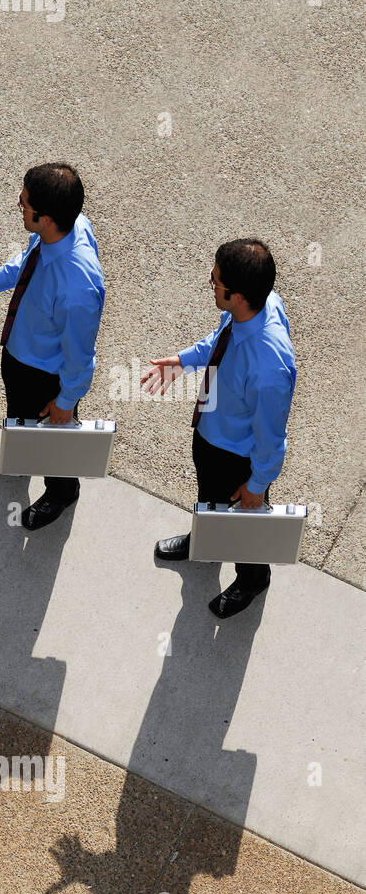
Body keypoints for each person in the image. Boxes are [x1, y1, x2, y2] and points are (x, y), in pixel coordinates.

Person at [142, 239, 296, 618]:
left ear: (238, 296)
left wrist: (256, 487)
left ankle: (252, 577)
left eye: (215, 281)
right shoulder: (256, 307)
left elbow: (272, 439)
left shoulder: (269, 367)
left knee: (245, 530)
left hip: (237, 458)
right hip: (211, 434)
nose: (210, 281)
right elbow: (219, 342)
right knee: (208, 498)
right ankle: (206, 543)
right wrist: (183, 361)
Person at [0, 163, 104, 528]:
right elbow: (29, 260)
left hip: (45, 376)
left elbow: (81, 357)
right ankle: (16, 455)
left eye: (24, 204)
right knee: (18, 413)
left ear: (46, 218)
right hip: (21, 354)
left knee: (54, 443)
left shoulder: (79, 286)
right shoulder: (66, 228)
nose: (19, 205)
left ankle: (61, 490)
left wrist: (65, 403)